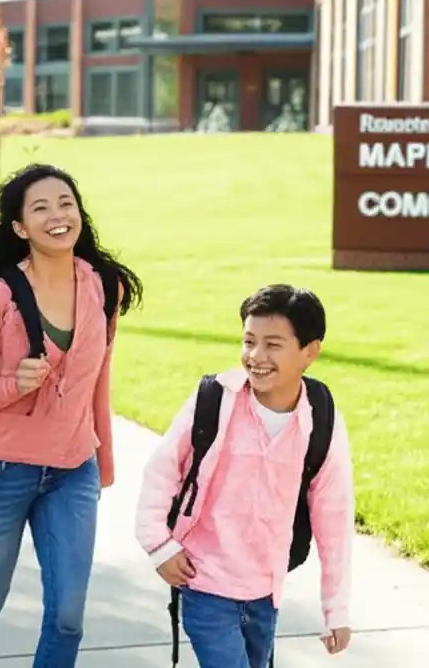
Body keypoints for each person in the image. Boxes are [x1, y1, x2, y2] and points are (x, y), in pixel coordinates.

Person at [0, 163, 143, 667]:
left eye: (66, 203)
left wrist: (104, 461)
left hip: (74, 470)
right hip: (0, 471)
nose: (58, 215)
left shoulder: (103, 287)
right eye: (41, 207)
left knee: (69, 615)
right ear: (19, 227)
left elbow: (99, 377)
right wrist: (13, 385)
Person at [134, 285, 355, 668]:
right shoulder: (215, 399)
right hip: (204, 580)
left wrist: (335, 608)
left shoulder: (320, 418)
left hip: (265, 593)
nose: (256, 356)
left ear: (310, 352)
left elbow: (333, 517)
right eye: (249, 341)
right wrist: (159, 545)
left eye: (273, 344)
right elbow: (163, 470)